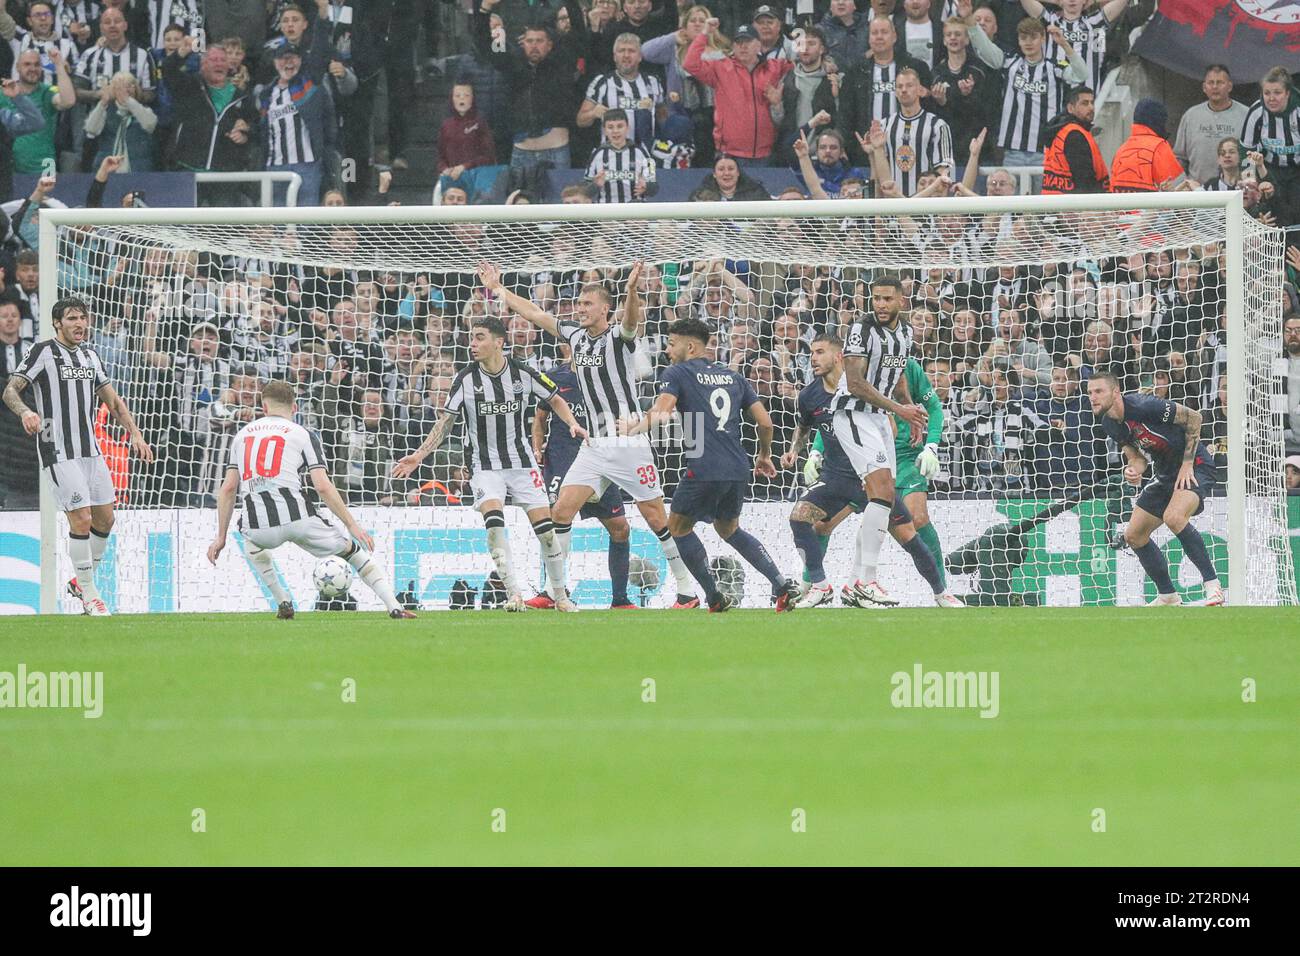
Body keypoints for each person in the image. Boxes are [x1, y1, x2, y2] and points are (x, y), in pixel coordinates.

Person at [477, 261, 703, 609]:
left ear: (603, 308)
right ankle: (555, 592)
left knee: (656, 518)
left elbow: (630, 322)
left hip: (627, 442)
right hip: (594, 445)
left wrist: (630, 292)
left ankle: (687, 590)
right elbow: (536, 314)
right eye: (578, 305)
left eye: (586, 305)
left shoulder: (619, 338)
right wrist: (499, 289)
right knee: (561, 512)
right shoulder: (574, 335)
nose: (579, 309)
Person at [395, 317, 586, 612]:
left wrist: (572, 423)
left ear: (499, 342)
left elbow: (555, 398)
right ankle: (513, 594)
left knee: (546, 531)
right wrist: (419, 455)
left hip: (522, 464)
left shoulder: (523, 373)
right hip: (484, 466)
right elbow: (446, 421)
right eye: (472, 338)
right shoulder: (465, 379)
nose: (473, 343)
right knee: (494, 524)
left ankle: (560, 596)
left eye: (480, 337)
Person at [620, 315, 800, 612]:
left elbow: (662, 412)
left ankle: (713, 596)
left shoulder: (677, 373)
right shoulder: (734, 377)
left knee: (676, 528)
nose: (667, 350)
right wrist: (764, 455)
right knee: (729, 530)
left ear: (690, 347)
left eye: (671, 343)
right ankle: (781, 585)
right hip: (737, 467)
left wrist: (632, 428)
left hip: (703, 464)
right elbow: (766, 423)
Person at [207, 379, 414, 620]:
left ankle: (282, 600)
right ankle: (394, 606)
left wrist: (220, 537)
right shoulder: (302, 434)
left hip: (259, 524)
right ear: (294, 407)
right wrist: (351, 525)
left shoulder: (242, 435)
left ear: (264, 407)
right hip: (300, 519)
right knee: (353, 553)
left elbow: (229, 488)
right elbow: (323, 487)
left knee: (252, 546)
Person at [2, 297, 154, 616]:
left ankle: (81, 581)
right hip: (57, 448)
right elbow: (10, 391)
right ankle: (89, 594)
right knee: (82, 518)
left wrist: (135, 434)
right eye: (72, 318)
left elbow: (112, 402)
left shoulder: (91, 356)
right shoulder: (43, 351)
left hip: (90, 448)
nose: (79, 323)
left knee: (106, 518)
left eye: (83, 318)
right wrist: (27, 411)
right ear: (57, 323)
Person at [784, 333, 960, 607]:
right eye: (812, 353)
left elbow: (895, 420)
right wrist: (804, 451)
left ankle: (941, 592)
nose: (813, 358)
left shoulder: (871, 383)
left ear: (839, 355)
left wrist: (929, 444)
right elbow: (812, 424)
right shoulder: (810, 395)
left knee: (911, 532)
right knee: (808, 520)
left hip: (874, 475)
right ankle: (817, 586)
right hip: (838, 479)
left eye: (820, 352)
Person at [1087, 370, 1223, 606]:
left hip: (1196, 465)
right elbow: (1137, 458)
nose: (1093, 397)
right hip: (1165, 473)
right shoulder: (1109, 423)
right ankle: (1168, 595)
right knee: (1134, 535)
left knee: (1174, 516)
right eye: (1090, 392)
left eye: (1098, 391)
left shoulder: (1145, 405)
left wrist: (1187, 463)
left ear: (1116, 392)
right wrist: (1133, 470)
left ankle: (1213, 586)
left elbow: (1194, 418)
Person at [831, 274, 928, 607]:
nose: (881, 305)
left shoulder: (905, 332)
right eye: (876, 298)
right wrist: (899, 410)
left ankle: (853, 583)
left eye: (887, 299)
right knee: (883, 491)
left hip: (879, 416)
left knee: (882, 498)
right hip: (853, 412)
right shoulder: (861, 329)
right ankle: (866, 580)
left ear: (901, 301)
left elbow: (896, 371)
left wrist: (910, 405)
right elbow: (856, 383)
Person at [530, 361, 635, 609]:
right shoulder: (555, 377)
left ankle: (620, 599)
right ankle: (551, 591)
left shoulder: (607, 376)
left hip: (598, 460)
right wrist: (537, 448)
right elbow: (540, 418)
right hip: (562, 460)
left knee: (620, 528)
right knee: (558, 517)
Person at [473, 0, 588, 176]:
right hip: (521, 152)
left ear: (550, 44)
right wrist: (485, 8)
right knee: (519, 201)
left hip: (556, 150)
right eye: (529, 41)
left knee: (558, 201)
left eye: (539, 41)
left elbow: (578, 32)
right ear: (522, 43)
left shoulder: (562, 62)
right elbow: (483, 45)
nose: (534, 45)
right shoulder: (512, 65)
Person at [964, 12, 1086, 172]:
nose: (1028, 42)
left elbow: (1081, 75)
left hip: (1046, 150)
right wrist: (969, 20)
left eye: (1033, 37)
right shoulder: (1009, 62)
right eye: (1024, 38)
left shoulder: (1056, 65)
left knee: (1043, 198)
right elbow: (985, 47)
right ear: (1019, 41)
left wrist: (1064, 44)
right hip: (1013, 151)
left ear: (1043, 39)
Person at [684, 18, 792, 165]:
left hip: (765, 153)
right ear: (733, 46)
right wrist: (705, 33)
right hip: (729, 154)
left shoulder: (774, 67)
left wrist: (827, 62)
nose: (743, 46)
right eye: (738, 42)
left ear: (758, 45)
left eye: (747, 42)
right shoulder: (720, 68)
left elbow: (804, 63)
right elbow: (690, 64)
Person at [838, 14, 933, 166]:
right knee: (871, 189)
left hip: (910, 150)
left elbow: (929, 108)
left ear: (894, 36)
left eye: (884, 32)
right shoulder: (855, 72)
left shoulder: (917, 68)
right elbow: (845, 115)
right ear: (869, 39)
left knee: (906, 189)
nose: (879, 37)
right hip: (867, 153)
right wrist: (850, 147)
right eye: (874, 33)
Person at [258, 43, 335, 206]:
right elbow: (262, 131)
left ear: (300, 60)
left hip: (307, 165)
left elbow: (318, 55)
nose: (288, 62)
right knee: (278, 222)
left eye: (292, 57)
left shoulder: (310, 87)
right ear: (275, 63)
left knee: (305, 223)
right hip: (275, 165)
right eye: (283, 58)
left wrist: (322, 20)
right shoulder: (266, 94)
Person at [1015, 0, 1128, 97]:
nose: (1072, 0)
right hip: (1052, 96)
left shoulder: (1094, 22)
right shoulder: (1050, 20)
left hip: (1085, 96)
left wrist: (1093, 1)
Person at [578, 32, 665, 149]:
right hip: (611, 156)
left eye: (631, 51)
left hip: (646, 156)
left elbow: (662, 117)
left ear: (640, 56)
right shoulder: (602, 82)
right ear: (614, 56)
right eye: (621, 51)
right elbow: (580, 120)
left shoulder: (653, 82)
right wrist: (593, 114)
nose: (626, 55)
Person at [1173, 64, 1249, 187]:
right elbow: (1179, 158)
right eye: (1210, 83)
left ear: (1229, 86)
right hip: (1198, 193)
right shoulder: (1191, 116)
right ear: (1204, 87)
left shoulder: (1246, 115)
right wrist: (1183, 185)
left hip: (1235, 192)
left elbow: (1253, 157)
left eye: (1220, 82)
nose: (1215, 87)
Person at [880, 65, 951, 195]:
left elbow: (942, 173)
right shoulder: (884, 125)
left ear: (920, 90)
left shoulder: (938, 125)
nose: (904, 90)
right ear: (895, 92)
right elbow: (881, 173)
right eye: (899, 86)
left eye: (909, 85)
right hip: (894, 207)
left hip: (927, 208)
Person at [1110, 98, 1186, 193]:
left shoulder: (1121, 150)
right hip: (1149, 207)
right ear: (1160, 121)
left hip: (1121, 207)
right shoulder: (1159, 147)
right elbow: (1180, 188)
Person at [1040, 85, 1107, 195]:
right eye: (1084, 103)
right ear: (1071, 108)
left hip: (1055, 203)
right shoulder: (1074, 134)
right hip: (1072, 207)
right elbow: (1085, 180)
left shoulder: (1060, 130)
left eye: (1092, 103)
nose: (1091, 107)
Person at [585, 108, 657, 203]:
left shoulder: (643, 153)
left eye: (620, 126)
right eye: (610, 127)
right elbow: (585, 191)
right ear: (605, 130)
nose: (615, 131)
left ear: (627, 127)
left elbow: (655, 187)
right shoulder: (597, 154)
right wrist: (595, 185)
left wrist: (647, 187)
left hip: (636, 212)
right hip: (605, 212)